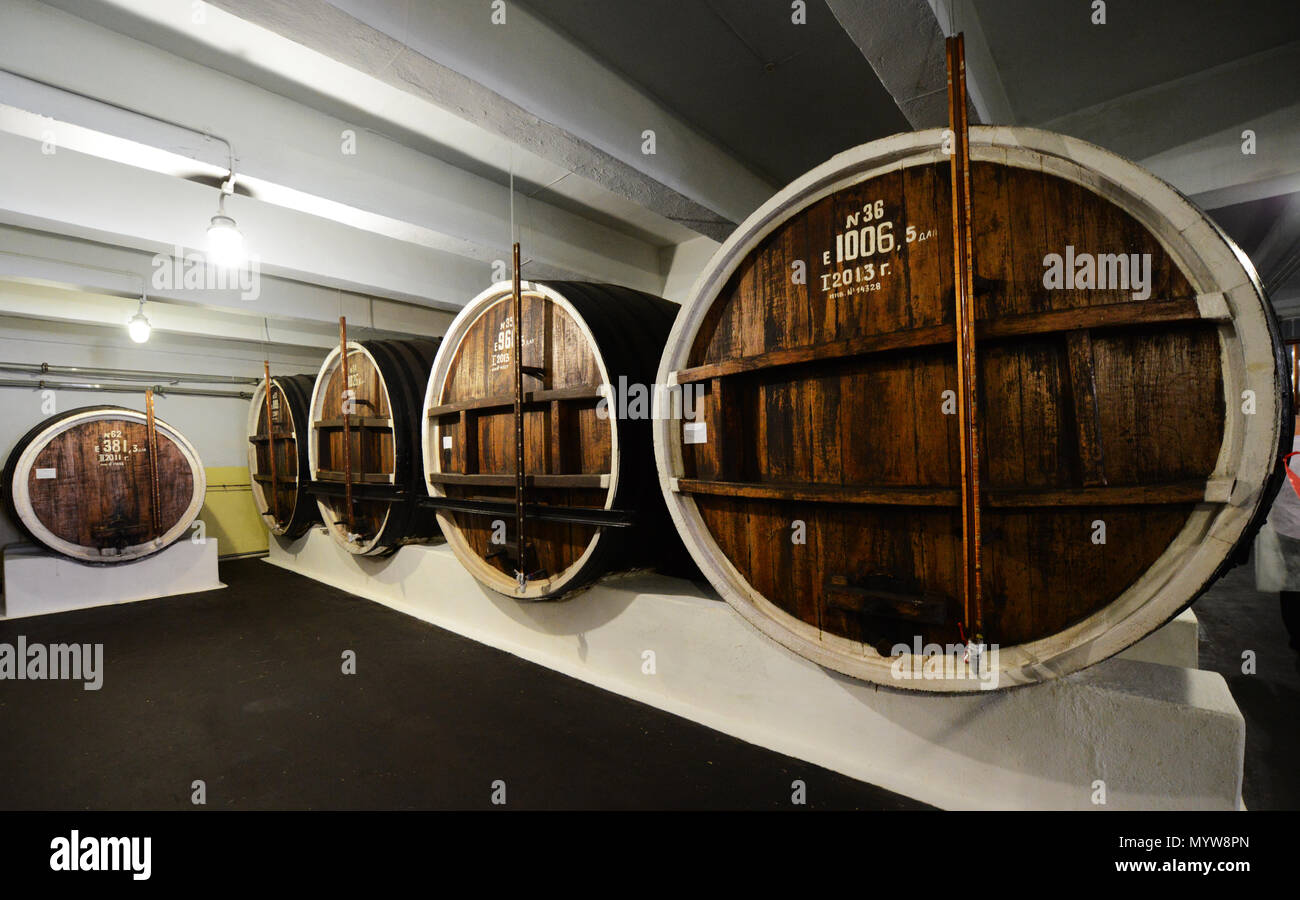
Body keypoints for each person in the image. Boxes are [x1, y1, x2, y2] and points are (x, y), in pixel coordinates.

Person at [1257, 422, 1300, 652]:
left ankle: (1296, 637)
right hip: (1291, 528)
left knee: (1292, 587)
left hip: (1287, 529)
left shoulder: (1285, 447)